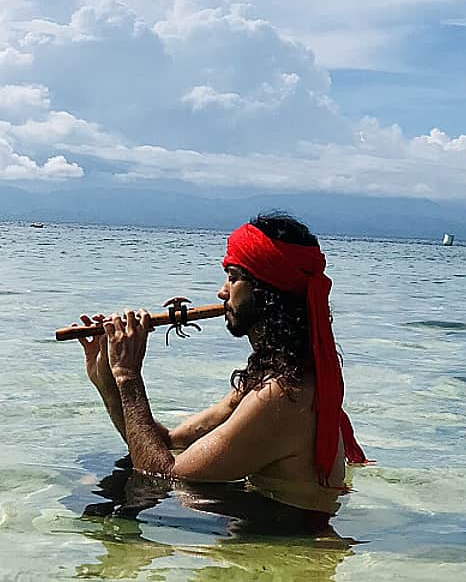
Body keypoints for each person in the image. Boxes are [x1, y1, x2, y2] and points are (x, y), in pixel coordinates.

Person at [74, 212, 369, 517]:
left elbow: (162, 473)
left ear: (266, 290)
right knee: (106, 492)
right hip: (261, 523)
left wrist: (128, 376)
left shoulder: (282, 395)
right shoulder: (272, 376)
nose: (222, 292)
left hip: (285, 541)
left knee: (102, 500)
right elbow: (166, 443)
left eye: (233, 277)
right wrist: (108, 380)